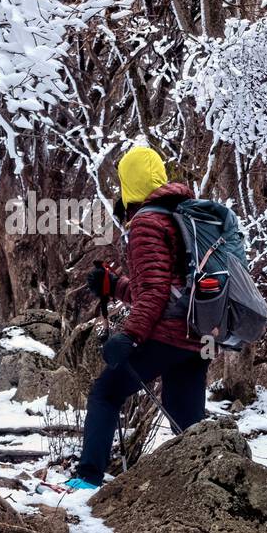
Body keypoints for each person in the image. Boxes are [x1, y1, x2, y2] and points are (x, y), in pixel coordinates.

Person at [64, 146, 210, 490]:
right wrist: (114, 286)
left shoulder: (147, 222)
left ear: (128, 182)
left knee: (106, 393)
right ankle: (201, 489)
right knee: (186, 424)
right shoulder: (184, 215)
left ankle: (87, 479)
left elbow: (157, 293)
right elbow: (165, 288)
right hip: (199, 334)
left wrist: (129, 336)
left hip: (167, 334)